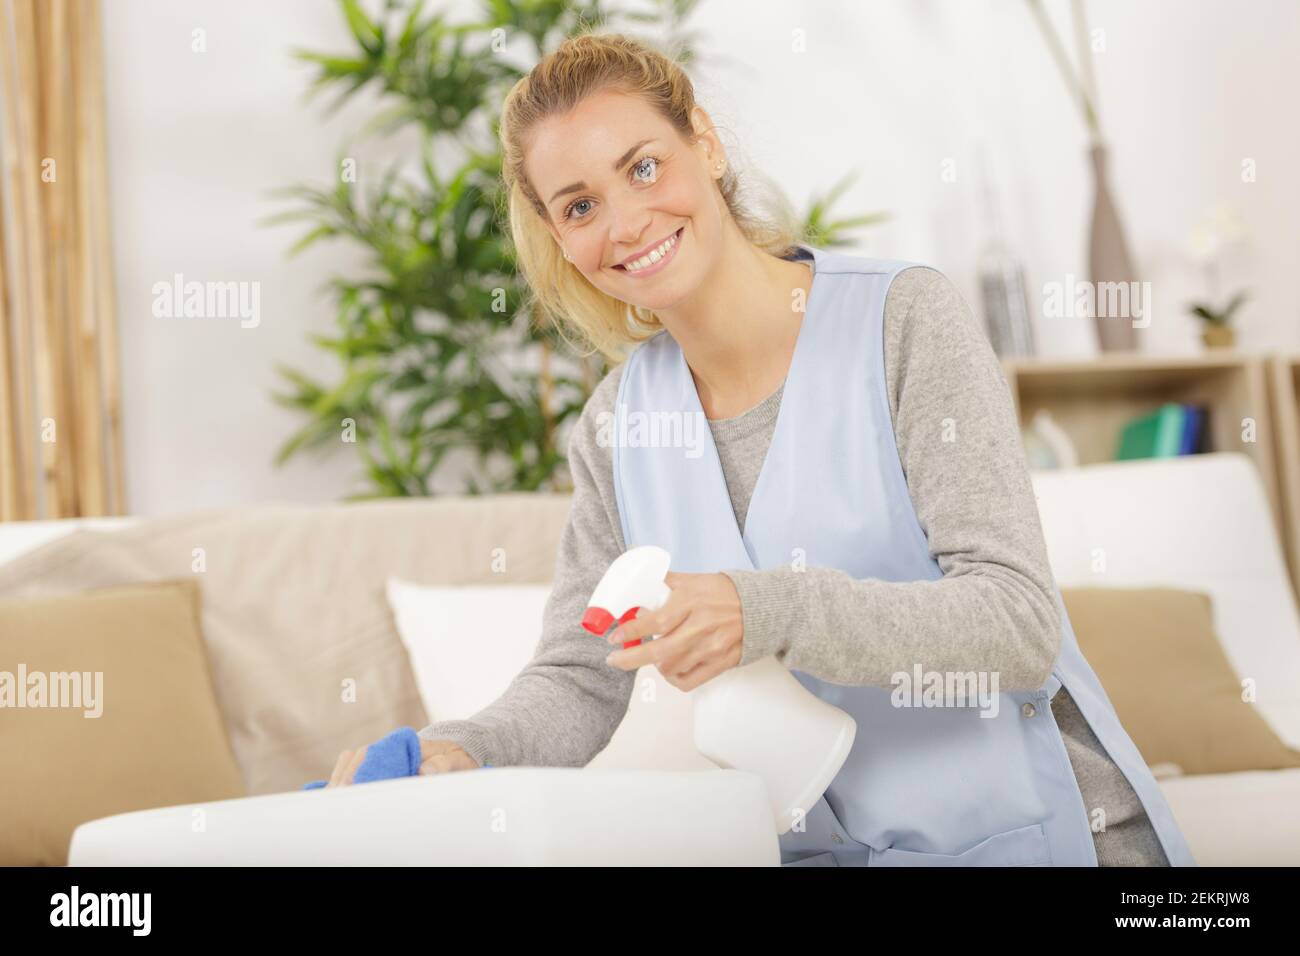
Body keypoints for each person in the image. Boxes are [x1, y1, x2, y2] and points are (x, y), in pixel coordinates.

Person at [329, 31, 1193, 868]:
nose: (626, 222)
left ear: (703, 143)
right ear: (560, 238)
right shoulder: (614, 427)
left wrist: (770, 612)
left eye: (643, 166)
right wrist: (458, 752)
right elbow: (581, 673)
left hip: (1047, 837)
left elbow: (1018, 623)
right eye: (580, 205)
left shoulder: (902, 321)